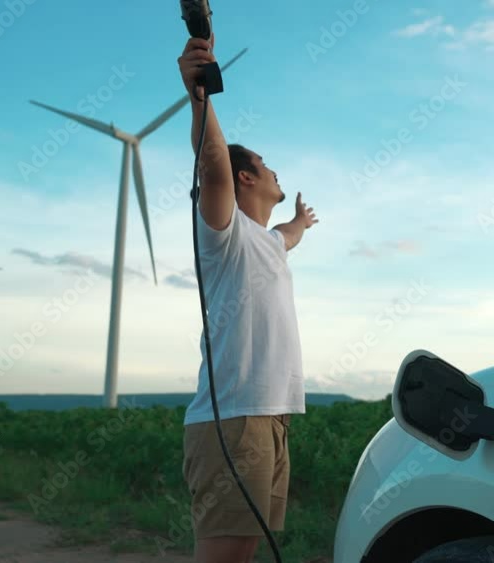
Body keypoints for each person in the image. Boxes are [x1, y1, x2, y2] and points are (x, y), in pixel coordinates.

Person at [177, 35, 318, 563]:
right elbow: (212, 158)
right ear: (244, 177)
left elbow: (288, 234)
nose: (274, 168)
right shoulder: (225, 231)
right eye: (264, 162)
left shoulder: (269, 243)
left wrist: (300, 223)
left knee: (247, 549)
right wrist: (200, 92)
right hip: (235, 420)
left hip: (272, 418)